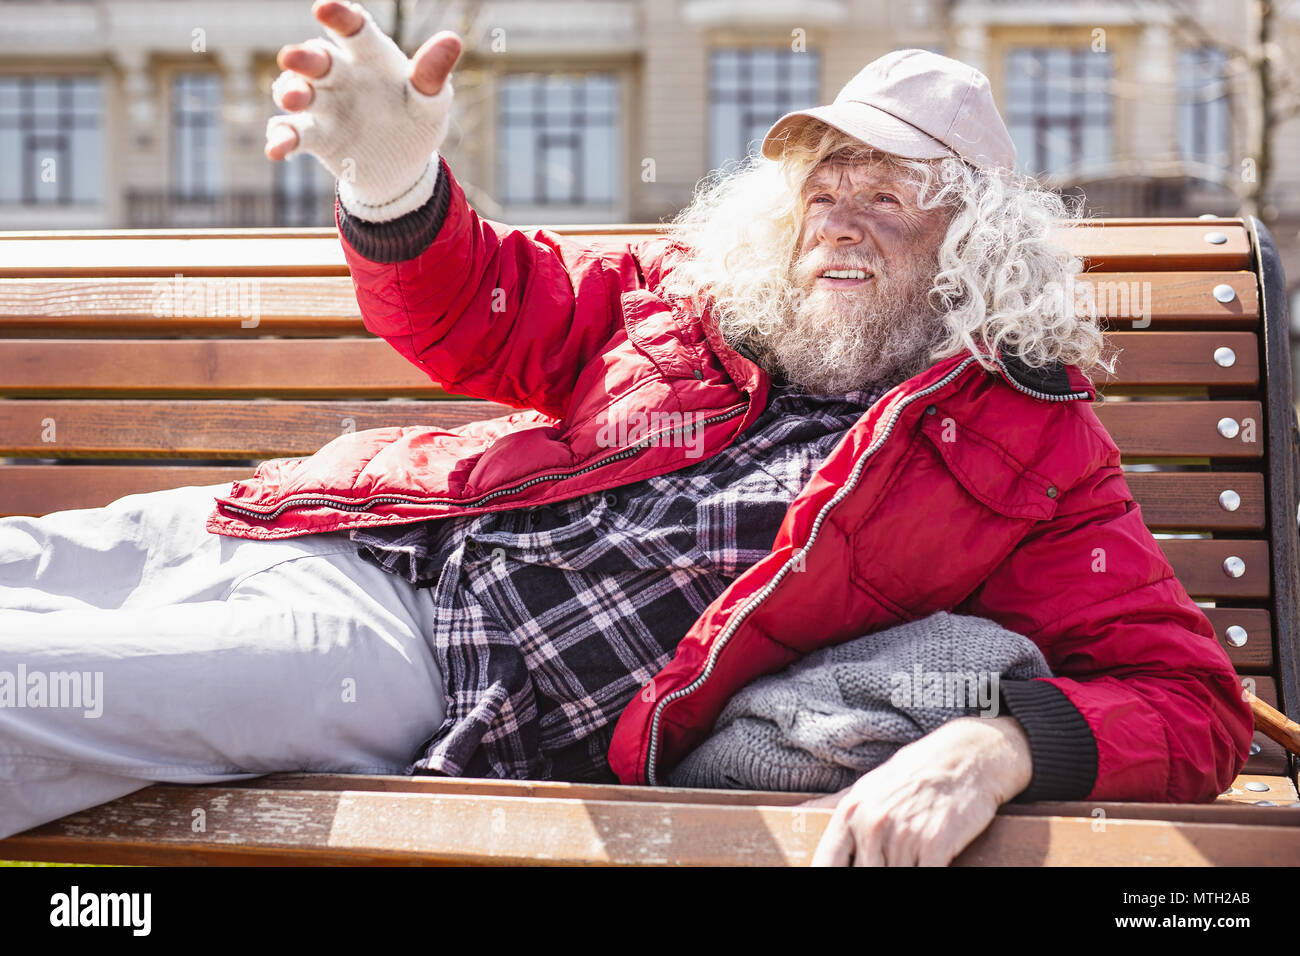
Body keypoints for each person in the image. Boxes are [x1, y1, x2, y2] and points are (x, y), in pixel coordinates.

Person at [0, 0, 1252, 867]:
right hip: (325, 522)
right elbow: (487, 308)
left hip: (421, 661)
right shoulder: (695, 297)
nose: (841, 221)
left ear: (974, 240)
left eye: (888, 196)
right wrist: (392, 183)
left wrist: (991, 746)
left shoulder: (1025, 453)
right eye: (825, 186)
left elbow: (1193, 705)